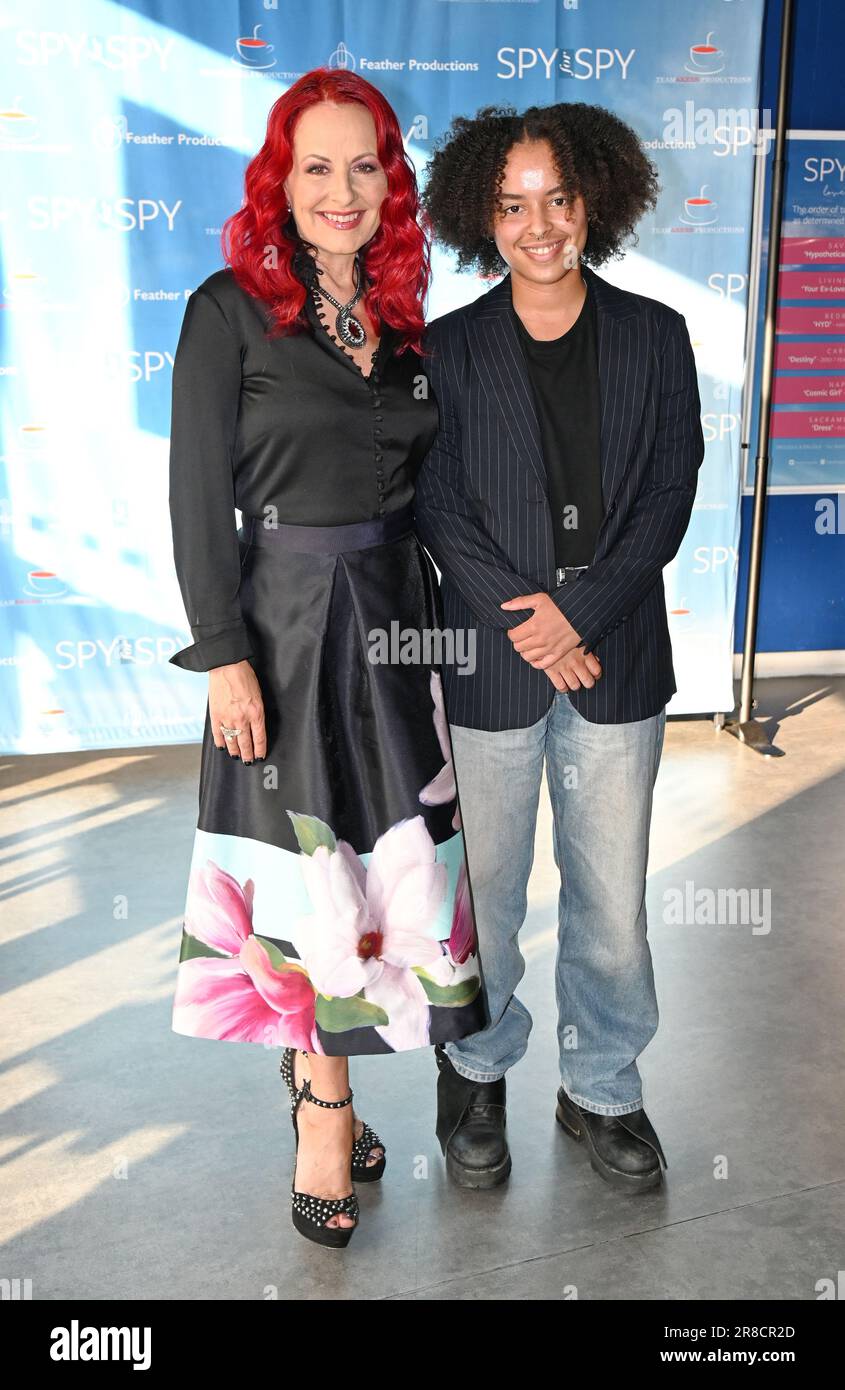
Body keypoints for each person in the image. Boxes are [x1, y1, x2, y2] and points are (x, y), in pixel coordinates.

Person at [167, 68, 486, 1248]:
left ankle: (338, 1064)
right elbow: (196, 495)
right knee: (308, 869)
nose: (341, 190)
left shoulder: (407, 320)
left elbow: (427, 489)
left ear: (390, 185)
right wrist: (222, 658)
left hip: (402, 626)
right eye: (317, 166)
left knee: (387, 867)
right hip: (287, 629)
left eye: (365, 167)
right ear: (279, 180)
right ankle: (322, 1101)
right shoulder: (225, 311)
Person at [415, 102, 704, 1193]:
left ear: (593, 201)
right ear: (481, 218)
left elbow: (668, 493)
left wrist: (581, 615)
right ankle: (476, 1071)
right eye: (512, 204)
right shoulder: (445, 348)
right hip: (494, 655)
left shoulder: (654, 336)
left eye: (557, 199)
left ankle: (603, 1088)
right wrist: (530, 617)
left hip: (616, 649)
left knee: (610, 902)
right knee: (486, 895)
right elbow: (436, 504)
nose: (538, 225)